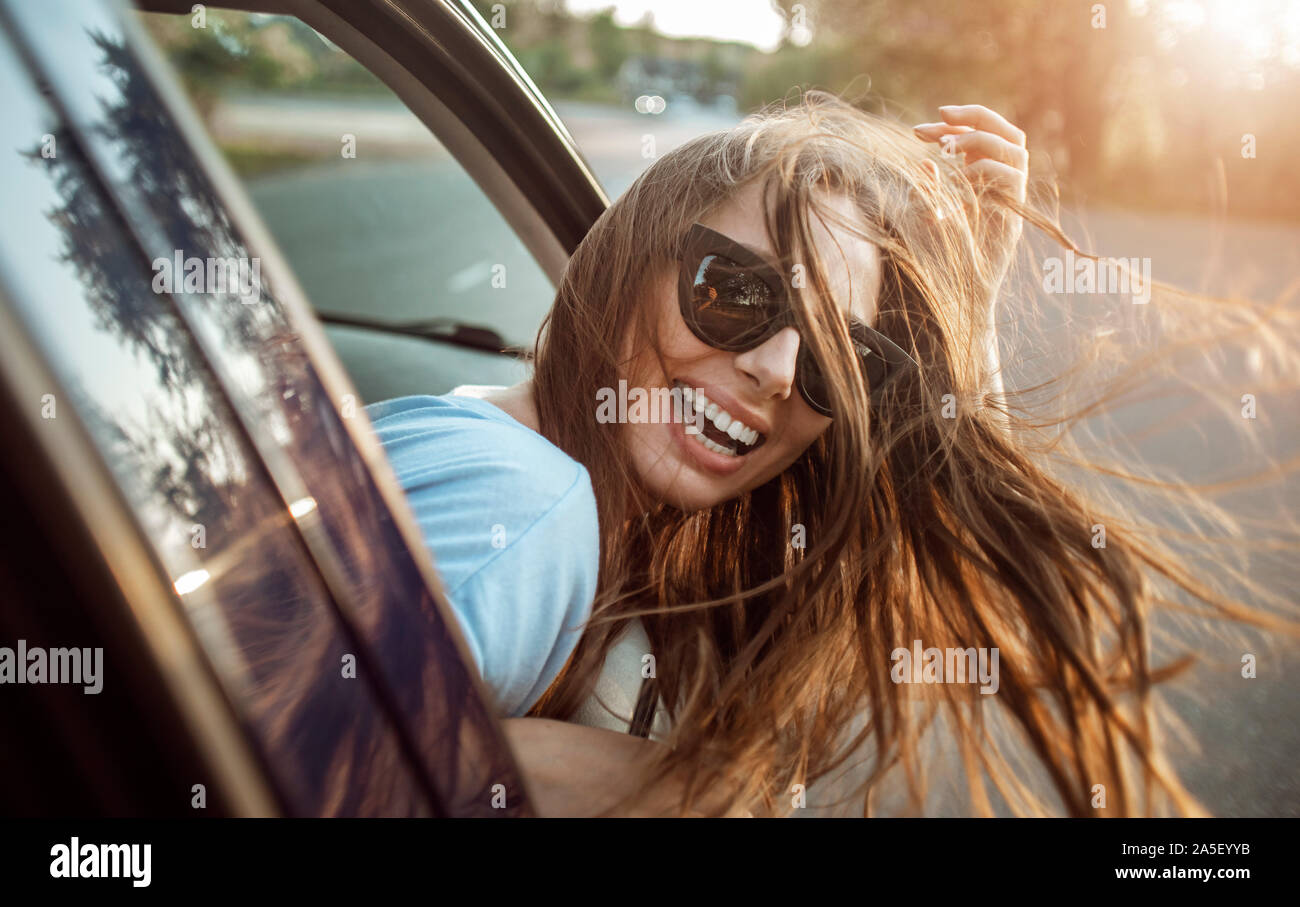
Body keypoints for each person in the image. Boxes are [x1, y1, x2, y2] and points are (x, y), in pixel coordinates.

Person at [366, 91, 1295, 817]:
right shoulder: (529, 505)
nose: (776, 370)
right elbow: (275, 751)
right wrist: (556, 775)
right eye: (734, 293)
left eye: (840, 359)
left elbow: (970, 607)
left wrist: (965, 308)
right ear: (630, 257)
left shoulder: (561, 480)